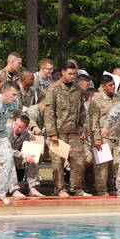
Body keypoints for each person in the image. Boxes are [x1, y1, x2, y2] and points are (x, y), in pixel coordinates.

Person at [42, 59, 89, 197]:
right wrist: (52, 133)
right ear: (63, 72)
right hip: (59, 133)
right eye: (70, 74)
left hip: (74, 131)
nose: (73, 76)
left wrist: (83, 128)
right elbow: (49, 112)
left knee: (78, 162)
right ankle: (60, 189)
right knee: (58, 163)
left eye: (74, 74)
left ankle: (76, 188)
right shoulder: (53, 89)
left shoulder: (77, 90)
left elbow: (82, 112)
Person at [87, 73, 119, 196]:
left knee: (116, 164)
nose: (113, 87)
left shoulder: (119, 99)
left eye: (114, 84)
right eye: (110, 85)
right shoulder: (96, 101)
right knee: (102, 166)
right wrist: (97, 138)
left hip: (116, 137)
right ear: (103, 86)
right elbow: (93, 121)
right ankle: (101, 189)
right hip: (102, 138)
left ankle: (112, 186)